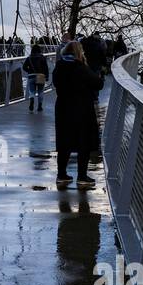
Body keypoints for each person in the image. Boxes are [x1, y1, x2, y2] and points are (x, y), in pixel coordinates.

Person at [52, 38, 104, 188]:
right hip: (82, 109)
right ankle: (82, 176)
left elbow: (56, 83)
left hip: (62, 108)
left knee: (64, 142)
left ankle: (61, 174)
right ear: (78, 52)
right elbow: (98, 84)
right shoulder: (81, 68)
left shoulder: (59, 67)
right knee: (84, 142)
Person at [22, 43, 49, 112]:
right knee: (40, 91)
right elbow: (46, 68)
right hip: (41, 75)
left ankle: (32, 100)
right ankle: (39, 106)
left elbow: (24, 67)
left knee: (32, 91)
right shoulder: (42, 57)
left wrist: (29, 71)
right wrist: (47, 76)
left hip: (31, 76)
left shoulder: (29, 58)